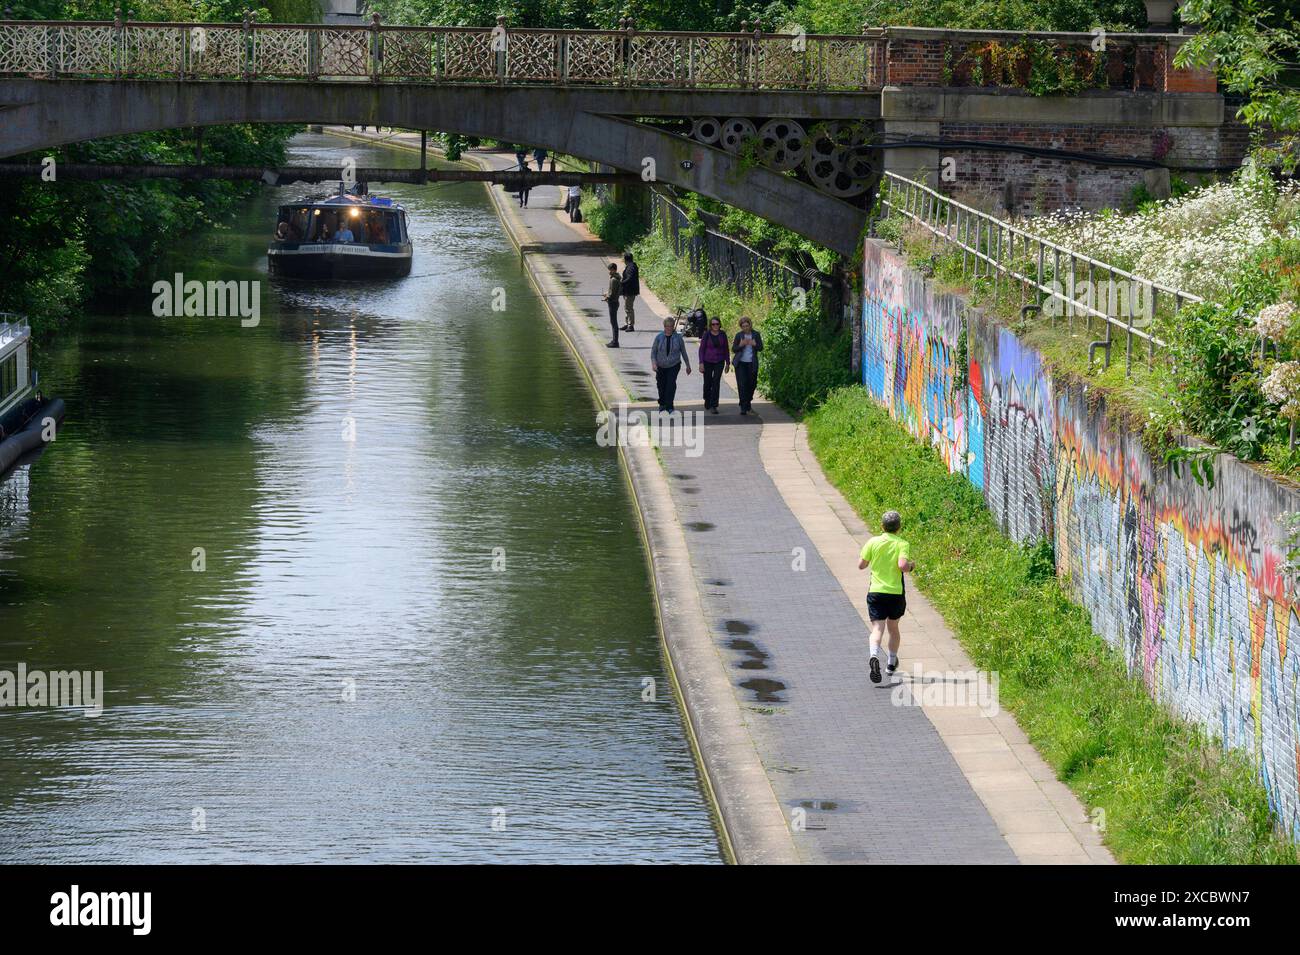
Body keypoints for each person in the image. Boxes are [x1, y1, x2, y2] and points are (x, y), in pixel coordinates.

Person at [858, 510, 915, 685]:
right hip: (895, 593)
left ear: (882, 526)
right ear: (899, 528)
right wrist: (912, 566)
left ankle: (874, 655)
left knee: (877, 629)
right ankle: (891, 664)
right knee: (893, 628)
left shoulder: (872, 542)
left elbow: (861, 565)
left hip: (876, 592)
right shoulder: (902, 543)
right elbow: (902, 565)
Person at [651, 316, 691, 412]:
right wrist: (654, 363)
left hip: (674, 365)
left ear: (673, 327)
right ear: (664, 327)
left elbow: (683, 352)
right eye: (667, 326)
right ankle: (662, 403)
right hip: (660, 366)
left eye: (671, 326)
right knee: (661, 385)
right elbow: (653, 352)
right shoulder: (659, 337)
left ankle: (669, 406)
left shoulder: (678, 338)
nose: (669, 328)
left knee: (670, 384)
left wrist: (688, 365)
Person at [731, 316, 763, 415]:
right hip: (740, 363)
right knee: (742, 385)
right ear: (741, 327)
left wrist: (754, 344)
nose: (745, 328)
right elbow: (734, 349)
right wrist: (740, 345)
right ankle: (743, 407)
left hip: (752, 363)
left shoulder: (756, 334)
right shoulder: (739, 335)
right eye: (743, 326)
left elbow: (761, 348)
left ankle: (747, 402)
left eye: (747, 325)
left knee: (752, 384)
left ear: (750, 325)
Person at [698, 316, 730, 414]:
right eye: (713, 324)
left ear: (720, 324)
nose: (715, 326)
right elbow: (701, 349)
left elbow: (726, 349)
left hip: (719, 361)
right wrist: (701, 363)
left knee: (716, 382)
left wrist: (728, 363)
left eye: (717, 324)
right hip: (707, 361)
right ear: (710, 325)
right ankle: (707, 398)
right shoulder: (706, 335)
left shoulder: (723, 334)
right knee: (707, 383)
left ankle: (714, 405)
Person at [602, 262, 621, 348]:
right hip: (615, 302)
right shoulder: (617, 278)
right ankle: (614, 340)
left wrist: (607, 297)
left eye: (610, 270)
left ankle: (615, 342)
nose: (609, 272)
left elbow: (612, 294)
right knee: (614, 322)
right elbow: (614, 291)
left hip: (613, 303)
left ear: (613, 270)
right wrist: (607, 294)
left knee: (613, 323)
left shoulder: (613, 280)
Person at [620, 252, 640, 332]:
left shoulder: (631, 267)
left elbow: (630, 278)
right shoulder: (631, 266)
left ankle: (630, 325)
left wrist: (622, 282)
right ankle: (627, 323)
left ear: (626, 259)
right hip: (628, 290)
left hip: (630, 291)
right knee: (626, 307)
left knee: (629, 308)